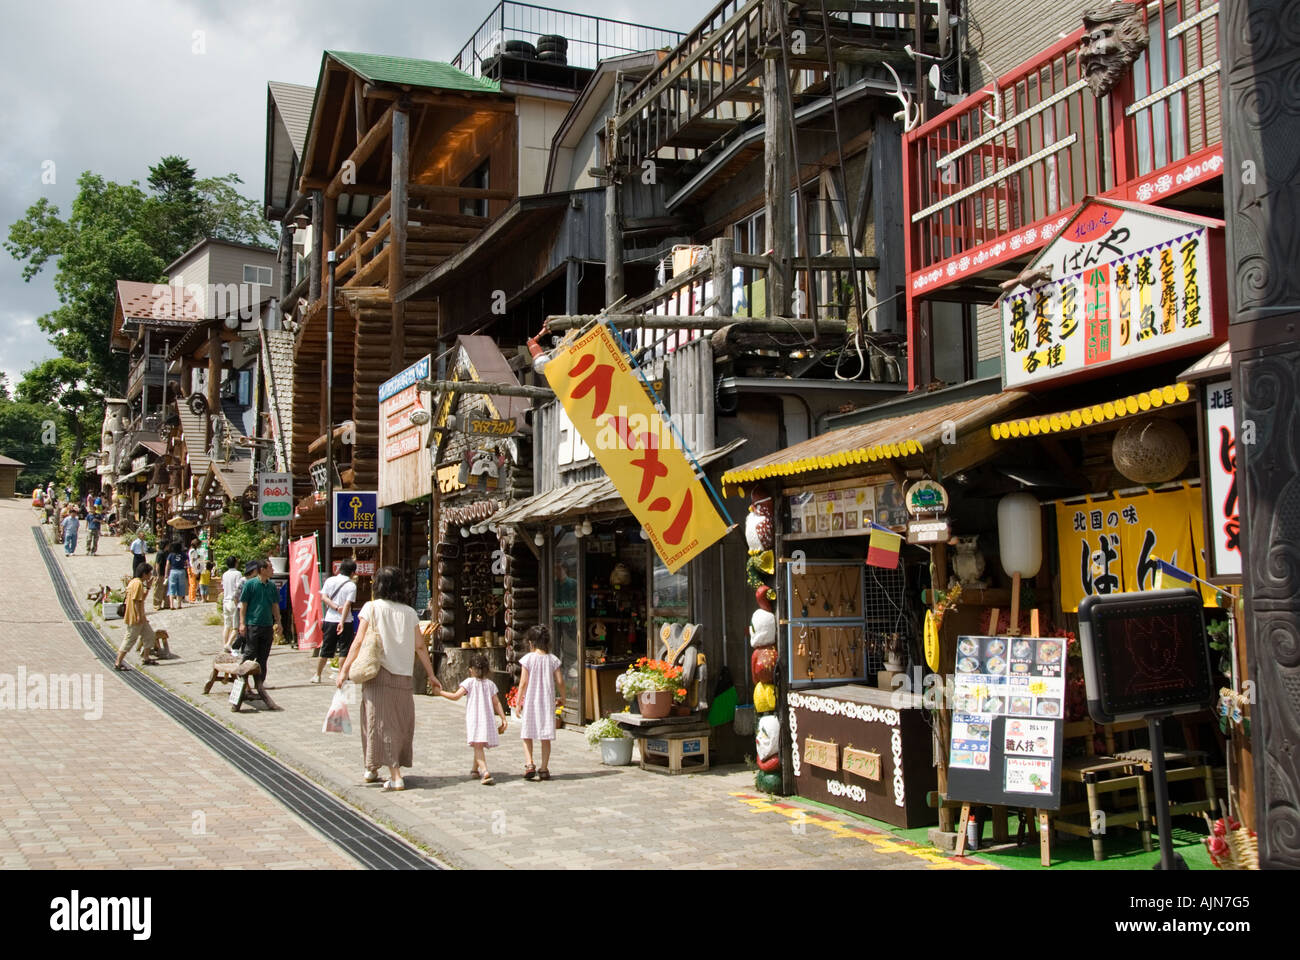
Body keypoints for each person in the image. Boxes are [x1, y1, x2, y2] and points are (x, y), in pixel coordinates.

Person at [337, 566, 440, 790]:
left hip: (379, 674)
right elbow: (420, 646)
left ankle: (395, 775)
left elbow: (357, 641)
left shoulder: (371, 608)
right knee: (397, 723)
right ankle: (372, 766)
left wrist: (344, 670)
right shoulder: (410, 612)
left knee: (378, 723)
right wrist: (431, 675)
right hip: (404, 675)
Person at [439, 653, 508, 785]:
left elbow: (455, 696)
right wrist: (503, 718)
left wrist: (440, 692)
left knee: (477, 745)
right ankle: (474, 769)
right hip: (487, 720)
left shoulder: (469, 682)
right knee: (479, 744)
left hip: (475, 720)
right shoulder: (490, 684)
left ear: (470, 669)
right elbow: (497, 703)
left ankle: (485, 771)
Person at [515, 625, 564, 781]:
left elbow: (523, 683)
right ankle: (544, 768)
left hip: (531, 701)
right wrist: (563, 697)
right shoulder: (553, 659)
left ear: (531, 643)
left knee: (527, 733)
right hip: (547, 701)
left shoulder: (528, 659)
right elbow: (560, 681)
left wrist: (517, 702)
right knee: (545, 735)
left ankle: (529, 764)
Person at [238, 560, 282, 689]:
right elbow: (243, 605)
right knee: (250, 653)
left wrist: (278, 621)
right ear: (262, 570)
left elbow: (275, 605)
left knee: (263, 656)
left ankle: (260, 683)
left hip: (267, 624)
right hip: (253, 623)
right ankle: (242, 679)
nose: (272, 570)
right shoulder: (250, 584)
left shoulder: (272, 586)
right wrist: (242, 623)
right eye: (270, 568)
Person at [314, 559, 358, 683]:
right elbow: (347, 605)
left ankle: (317, 675)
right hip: (346, 621)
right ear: (353, 572)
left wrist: (335, 607)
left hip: (330, 619)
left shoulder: (330, 580)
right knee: (344, 649)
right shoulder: (351, 585)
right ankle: (341, 675)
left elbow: (324, 597)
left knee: (326, 648)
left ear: (340, 569)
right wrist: (342, 622)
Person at [114, 563, 158, 671]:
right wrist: (139, 616)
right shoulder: (137, 584)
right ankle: (118, 663)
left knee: (150, 636)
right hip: (135, 618)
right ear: (144, 574)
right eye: (149, 573)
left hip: (140, 617)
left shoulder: (133, 582)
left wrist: (148, 587)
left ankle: (146, 657)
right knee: (130, 639)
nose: (150, 575)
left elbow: (141, 598)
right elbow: (136, 601)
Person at [220, 556, 243, 652]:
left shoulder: (225, 574)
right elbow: (239, 588)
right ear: (235, 563)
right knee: (235, 626)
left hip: (225, 601)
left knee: (227, 625)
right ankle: (228, 644)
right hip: (233, 601)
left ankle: (225, 644)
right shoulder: (238, 574)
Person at [152, 541, 169, 611]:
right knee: (158, 589)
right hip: (160, 574)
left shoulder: (166, 553)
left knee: (166, 589)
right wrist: (158, 574)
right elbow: (157, 564)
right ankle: (157, 605)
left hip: (165, 574)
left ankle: (166, 604)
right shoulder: (160, 553)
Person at [186, 538, 202, 603]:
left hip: (191, 568)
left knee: (191, 583)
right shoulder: (193, 551)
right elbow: (192, 560)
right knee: (193, 583)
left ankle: (191, 597)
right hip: (193, 568)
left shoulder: (191, 550)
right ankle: (192, 598)